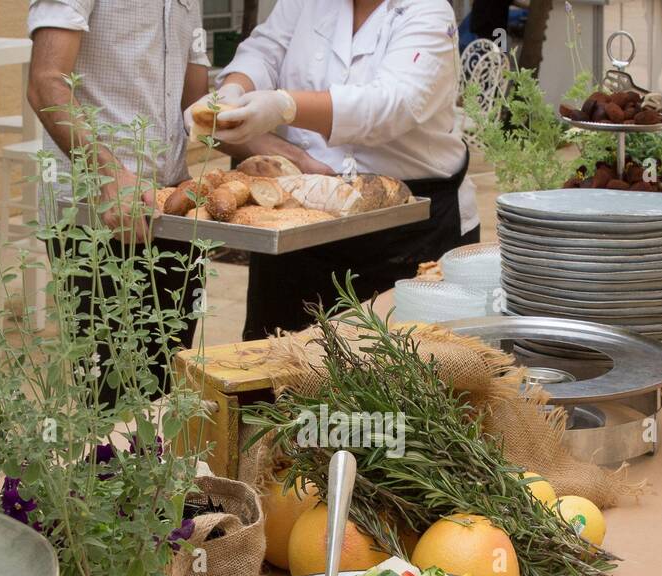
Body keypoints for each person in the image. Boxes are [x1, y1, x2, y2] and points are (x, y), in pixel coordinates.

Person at [184, 0, 480, 340]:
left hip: (408, 228)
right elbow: (264, 51)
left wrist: (285, 106)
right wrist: (235, 90)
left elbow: (394, 103)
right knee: (276, 370)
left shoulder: (427, 10)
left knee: (393, 371)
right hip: (301, 219)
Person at [26, 0, 209, 399]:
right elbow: (45, 81)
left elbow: (194, 93)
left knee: (167, 388)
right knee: (111, 399)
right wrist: (109, 172)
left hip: (172, 207)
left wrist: (238, 106)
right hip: (95, 213)